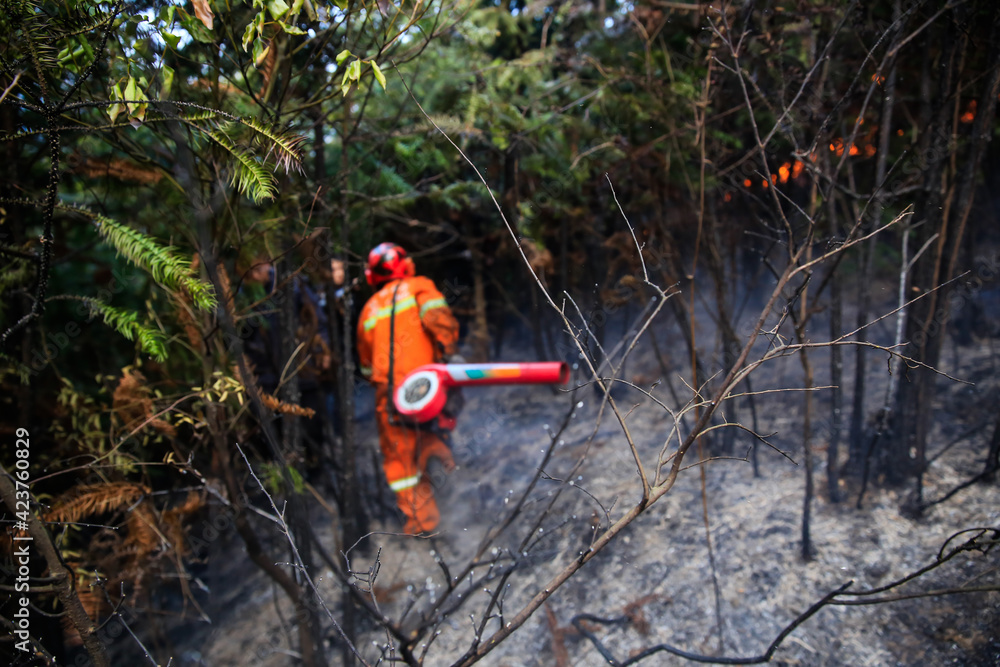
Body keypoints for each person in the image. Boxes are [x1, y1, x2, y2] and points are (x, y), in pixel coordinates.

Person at [357, 242, 460, 535]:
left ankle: (423, 524)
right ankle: (454, 488)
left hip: (390, 395)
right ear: (406, 265)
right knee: (434, 430)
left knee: (400, 460)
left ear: (372, 275)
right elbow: (441, 324)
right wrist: (446, 355)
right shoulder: (419, 287)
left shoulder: (369, 309)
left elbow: (366, 366)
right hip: (427, 384)